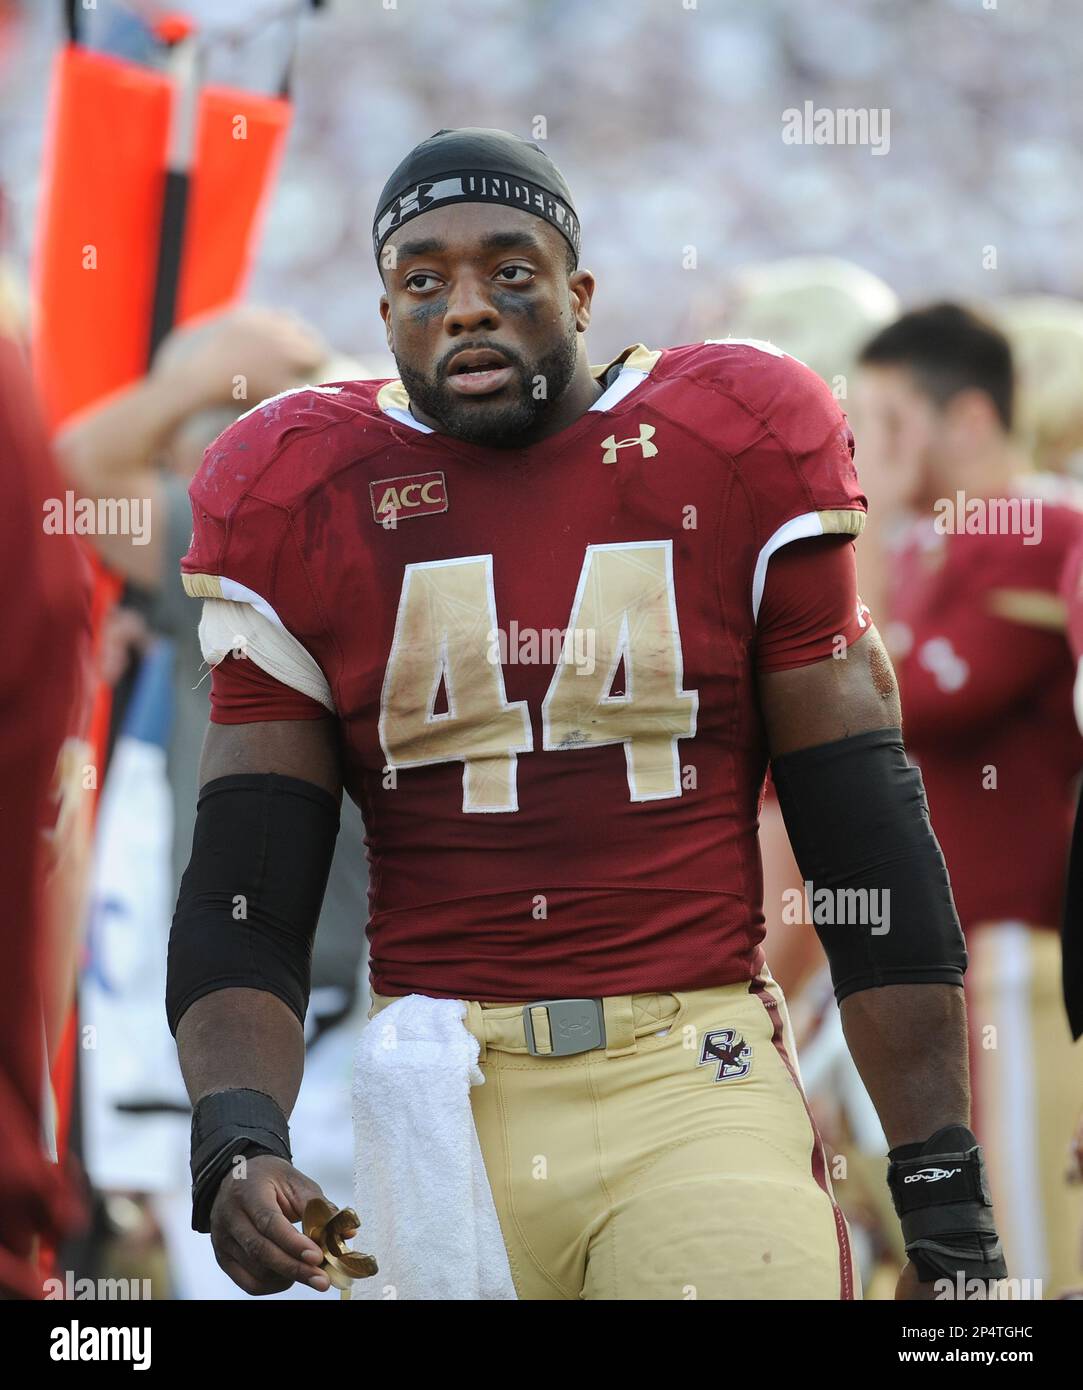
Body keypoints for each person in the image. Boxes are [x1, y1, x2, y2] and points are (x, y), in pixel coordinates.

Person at [167, 127, 1001, 1301]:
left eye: (510, 271)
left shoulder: (732, 440)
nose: (466, 307)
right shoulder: (300, 489)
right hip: (443, 1088)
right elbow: (248, 881)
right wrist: (239, 1134)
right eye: (423, 280)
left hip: (691, 1065)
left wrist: (939, 1183)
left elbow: (863, 828)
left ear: (580, 292)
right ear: (387, 305)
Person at [55, 307, 373, 1298]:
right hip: (316, 1006)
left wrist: (203, 383)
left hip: (311, 1009)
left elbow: (75, 469)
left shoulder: (257, 520)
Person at [857, 302, 1083, 1296]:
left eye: (889, 419)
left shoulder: (1037, 527)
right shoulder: (923, 552)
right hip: (914, 968)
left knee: (1018, 1265)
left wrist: (856, 520)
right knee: (920, 1265)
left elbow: (880, 695)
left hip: (1009, 957)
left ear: (973, 420)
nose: (868, 447)